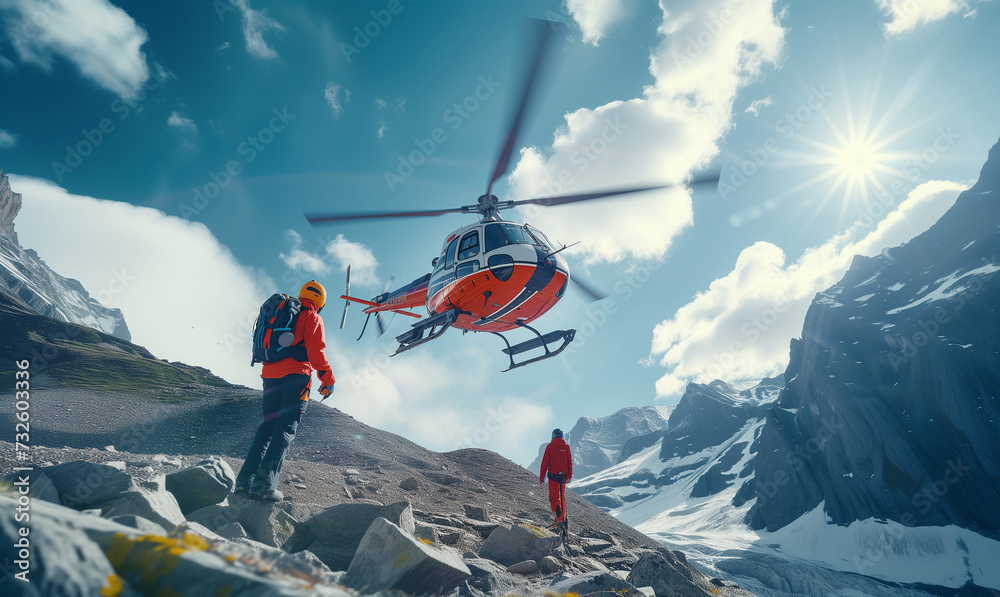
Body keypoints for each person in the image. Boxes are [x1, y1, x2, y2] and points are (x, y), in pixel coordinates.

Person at [235, 280, 336, 501]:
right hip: (296, 377)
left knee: (267, 427)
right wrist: (327, 379)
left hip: (270, 376)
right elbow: (316, 351)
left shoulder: (283, 312)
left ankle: (244, 482)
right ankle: (264, 485)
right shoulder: (312, 317)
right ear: (321, 301)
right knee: (286, 429)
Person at [539, 428, 573, 526]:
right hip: (563, 477)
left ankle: (559, 520)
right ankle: (562, 519)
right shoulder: (566, 447)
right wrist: (569, 475)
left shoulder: (550, 446)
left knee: (554, 498)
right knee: (562, 498)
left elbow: (544, 464)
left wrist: (542, 479)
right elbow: (569, 462)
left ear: (553, 436)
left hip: (553, 476)